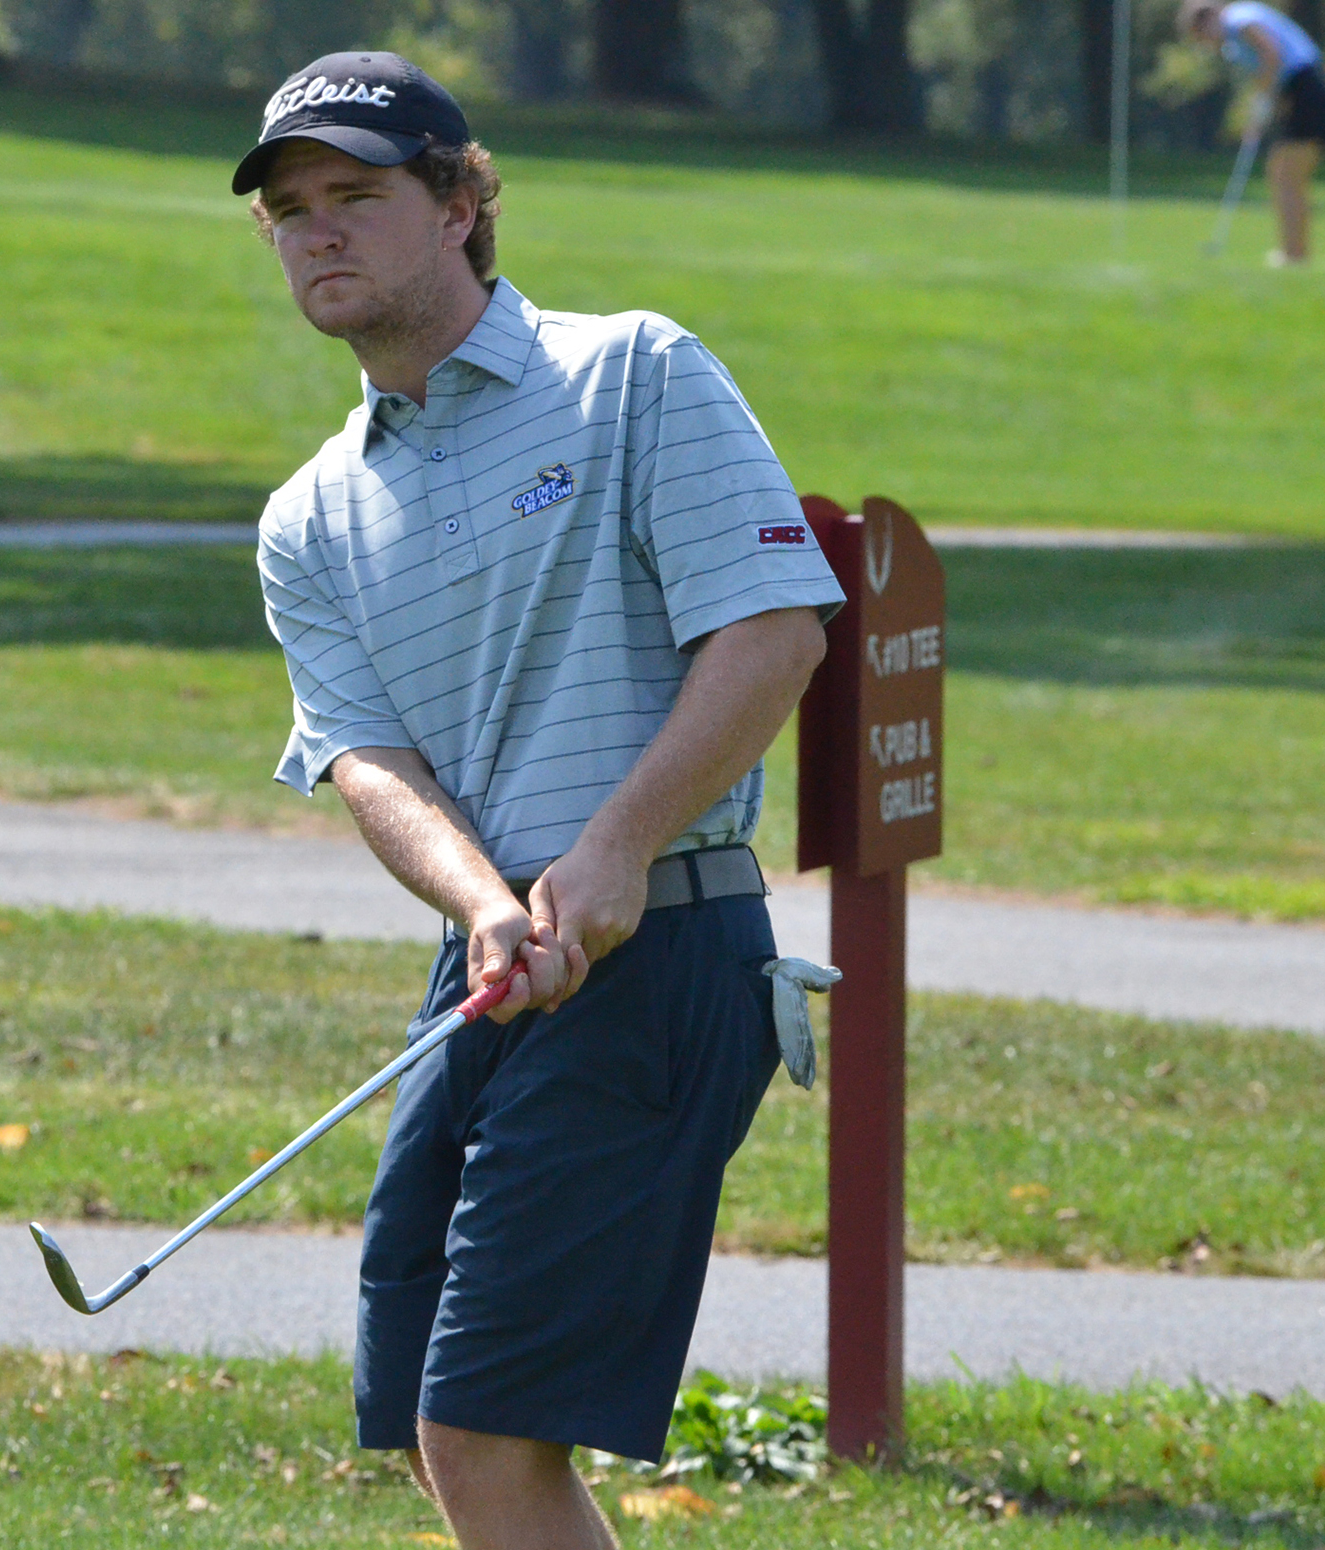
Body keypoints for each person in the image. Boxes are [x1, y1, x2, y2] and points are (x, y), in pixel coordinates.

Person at [235, 50, 846, 1550]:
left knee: (484, 1423)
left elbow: (773, 629)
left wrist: (616, 847)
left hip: (669, 942)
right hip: (497, 965)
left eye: (357, 197)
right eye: (291, 209)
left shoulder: (630, 372)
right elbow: (370, 759)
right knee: (436, 1419)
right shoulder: (310, 514)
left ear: (458, 203)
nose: (319, 232)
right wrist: (486, 904)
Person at [1180, 0, 1325, 264]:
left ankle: (1295, 254)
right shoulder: (1234, 34)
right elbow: (1266, 70)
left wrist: (1261, 103)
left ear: (1208, 20)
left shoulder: (1239, 20)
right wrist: (1262, 111)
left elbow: (1271, 56)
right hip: (1297, 91)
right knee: (1283, 172)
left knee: (1287, 173)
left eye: (1203, 36)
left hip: (1306, 89)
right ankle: (1295, 251)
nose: (1207, 44)